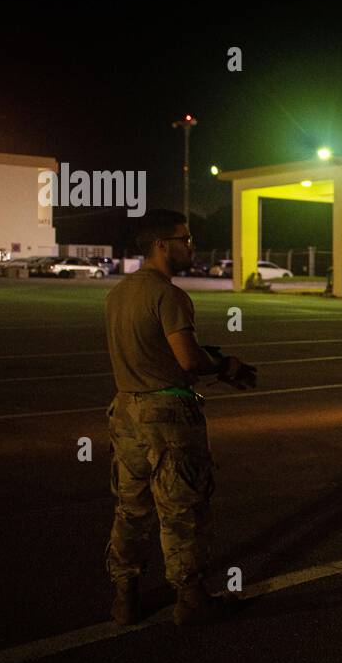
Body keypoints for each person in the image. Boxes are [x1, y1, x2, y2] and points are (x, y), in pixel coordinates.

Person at [103, 210, 257, 627]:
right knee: (181, 507)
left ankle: (125, 598)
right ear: (161, 245)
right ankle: (190, 599)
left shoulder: (118, 293)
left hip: (125, 411)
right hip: (167, 415)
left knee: (131, 508)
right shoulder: (169, 296)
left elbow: (153, 347)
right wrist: (227, 367)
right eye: (185, 239)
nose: (192, 246)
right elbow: (187, 360)